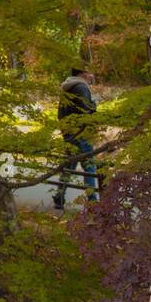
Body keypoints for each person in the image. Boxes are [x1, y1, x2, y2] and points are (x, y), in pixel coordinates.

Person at [52, 67, 100, 209]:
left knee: (70, 165)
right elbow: (86, 110)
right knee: (89, 166)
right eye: (90, 73)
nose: (91, 76)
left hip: (69, 133)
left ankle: (59, 196)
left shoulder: (67, 87)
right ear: (83, 73)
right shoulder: (81, 87)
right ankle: (92, 201)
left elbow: (60, 114)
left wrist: (66, 132)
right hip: (82, 133)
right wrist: (94, 104)